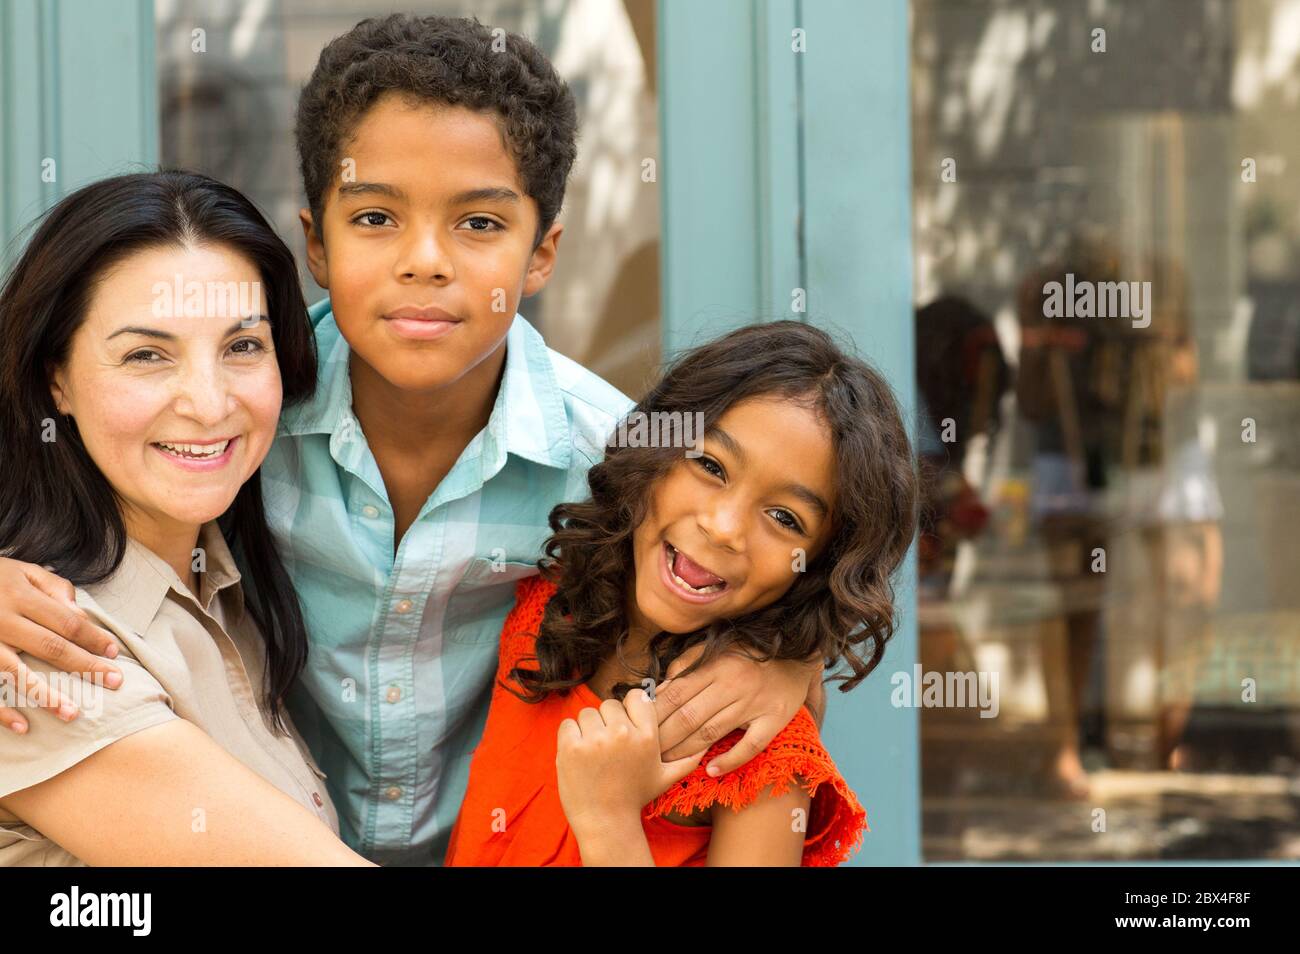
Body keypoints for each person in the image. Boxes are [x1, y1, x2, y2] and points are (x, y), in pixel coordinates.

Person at [0, 15, 824, 865]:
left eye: (478, 224)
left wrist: (784, 660)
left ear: (542, 254)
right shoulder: (240, 417)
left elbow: (748, 575)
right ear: (314, 243)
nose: (425, 261)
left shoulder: (618, 462)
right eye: (374, 217)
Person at [0, 170, 371, 865]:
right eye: (146, 354)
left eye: (242, 346)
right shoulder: (38, 639)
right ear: (57, 379)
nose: (207, 403)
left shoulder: (227, 588)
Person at [445, 321, 918, 865]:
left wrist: (609, 820)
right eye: (711, 466)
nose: (723, 527)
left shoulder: (754, 755)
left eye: (785, 517)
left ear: (818, 567)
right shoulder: (552, 601)